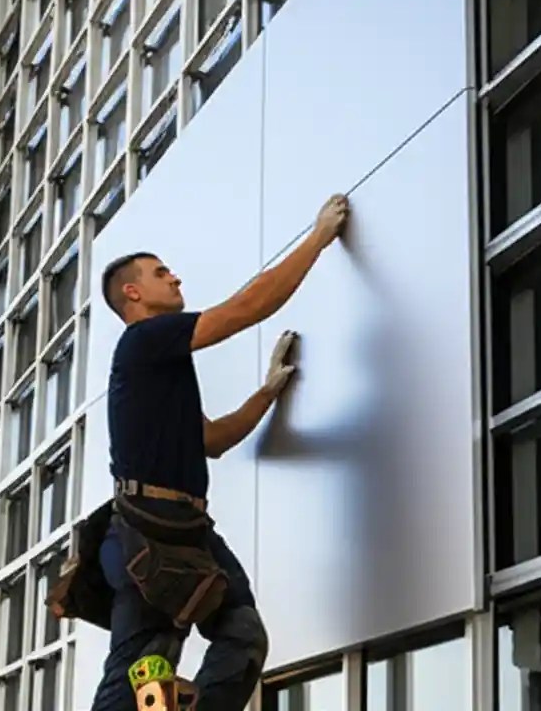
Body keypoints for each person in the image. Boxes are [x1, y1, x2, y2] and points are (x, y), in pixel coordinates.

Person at [89, 193, 351, 711]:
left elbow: (213, 440)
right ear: (134, 293)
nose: (177, 279)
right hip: (151, 532)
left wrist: (270, 391)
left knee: (243, 634)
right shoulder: (146, 340)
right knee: (146, 669)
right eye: (163, 273)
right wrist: (319, 236)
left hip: (185, 531)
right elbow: (247, 306)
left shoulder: (159, 367)